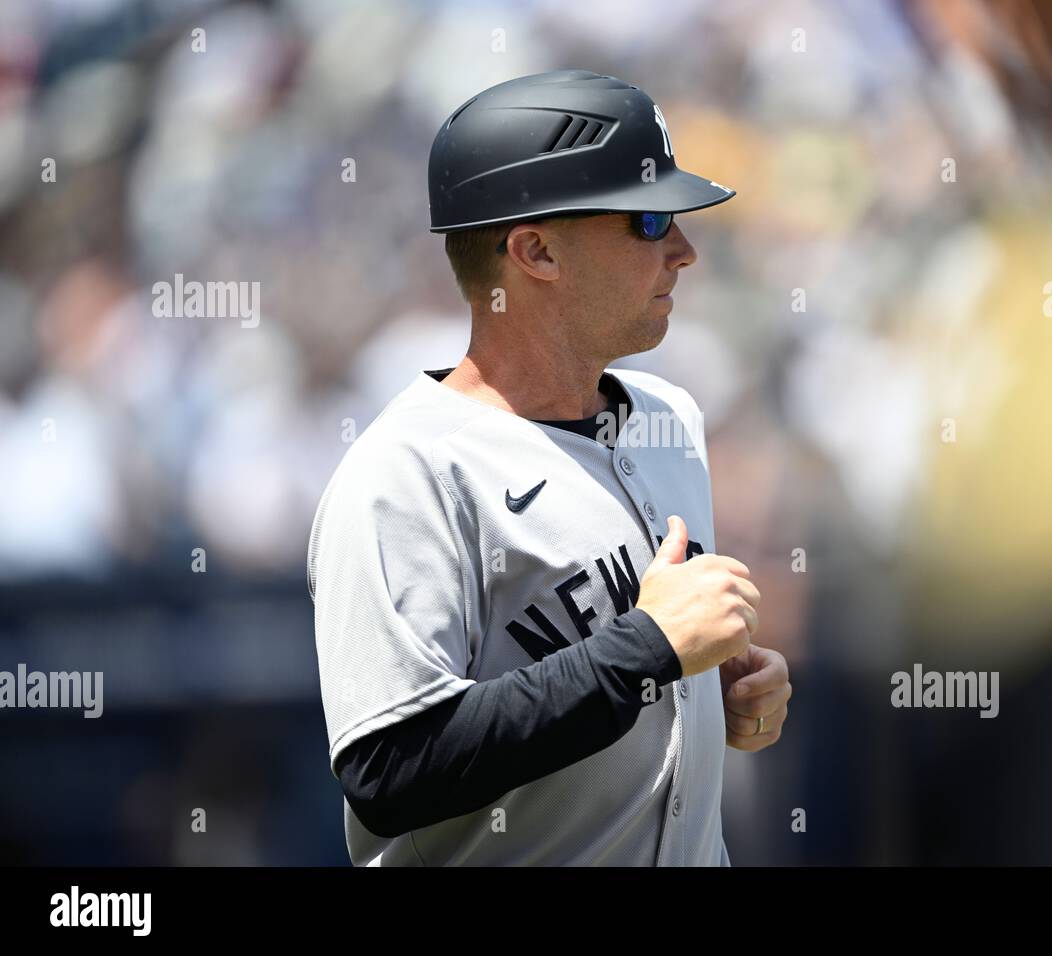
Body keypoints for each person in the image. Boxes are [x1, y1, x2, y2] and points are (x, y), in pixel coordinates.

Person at [308, 69, 791, 866]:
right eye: (647, 220)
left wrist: (715, 691)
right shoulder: (405, 473)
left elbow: (638, 661)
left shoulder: (671, 420)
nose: (683, 249)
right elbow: (390, 770)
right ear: (535, 250)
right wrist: (649, 652)